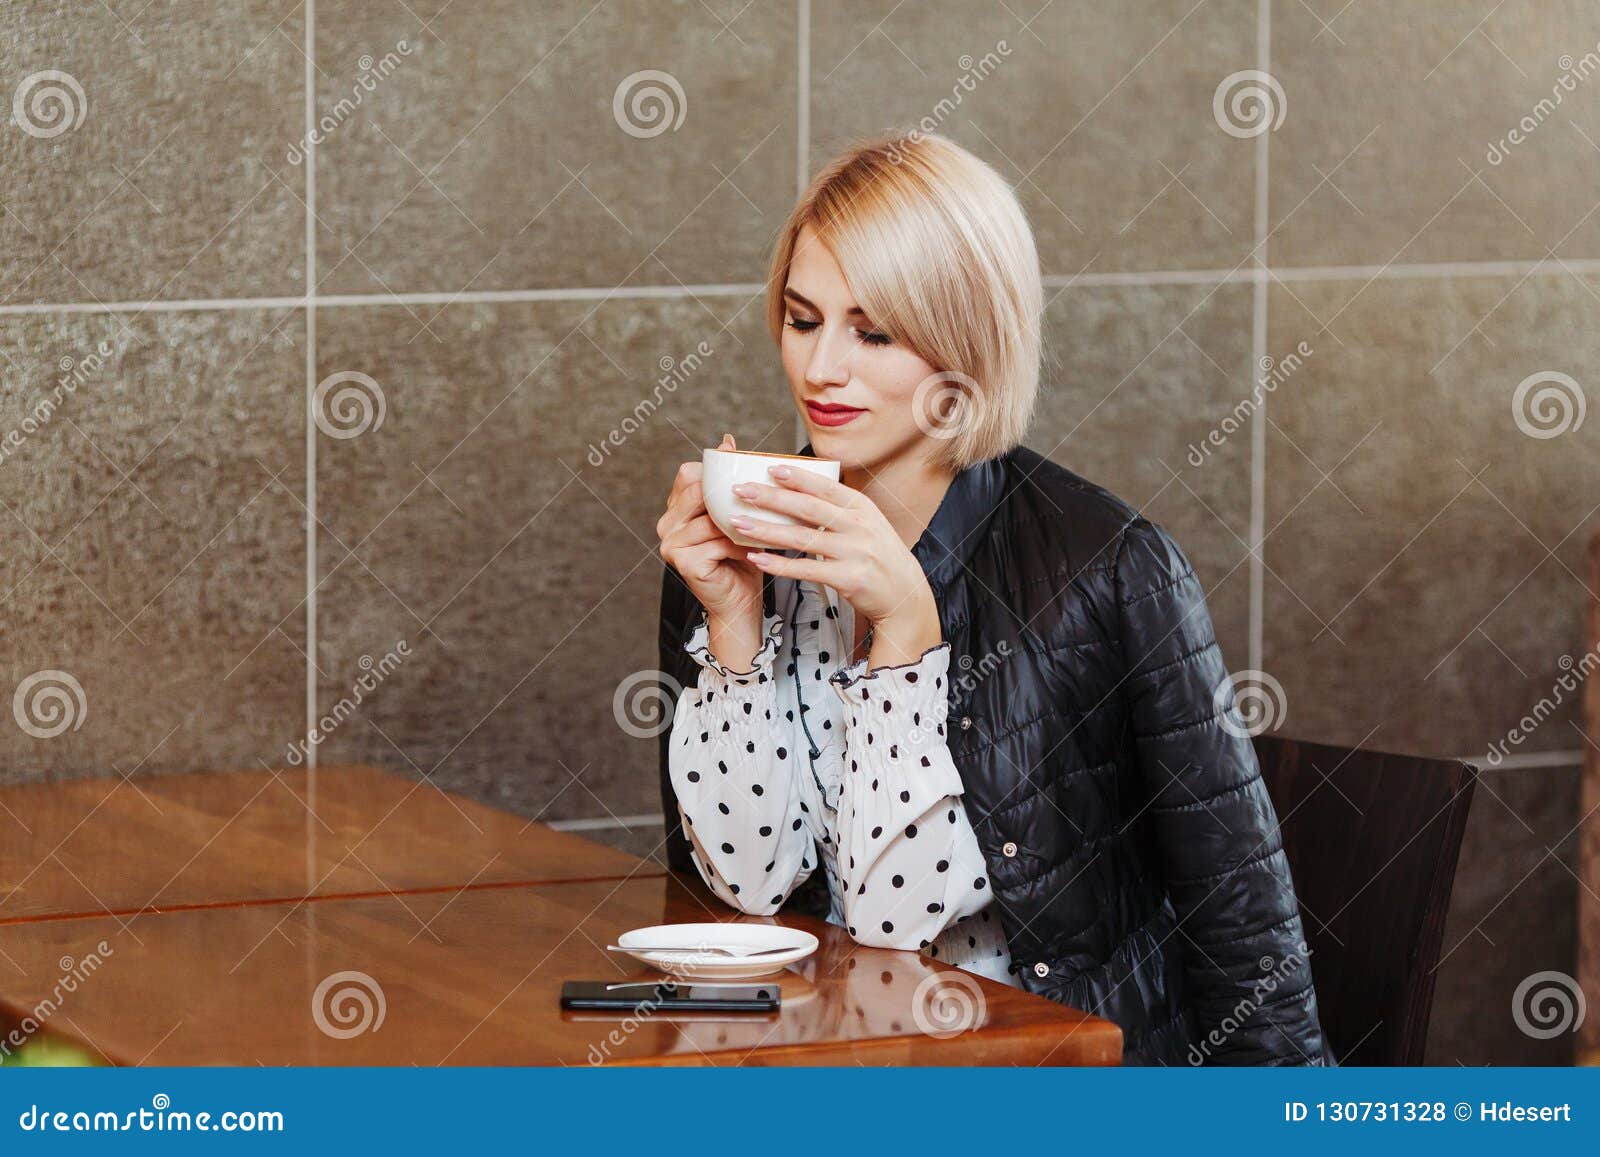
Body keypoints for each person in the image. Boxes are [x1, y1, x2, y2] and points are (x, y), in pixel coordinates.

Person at [652, 132, 1330, 1066]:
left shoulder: (1115, 567)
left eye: (875, 332)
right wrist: (732, 626)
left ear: (966, 344)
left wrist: (904, 632)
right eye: (803, 319)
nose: (820, 370)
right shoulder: (738, 552)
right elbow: (735, 902)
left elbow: (1243, 921)